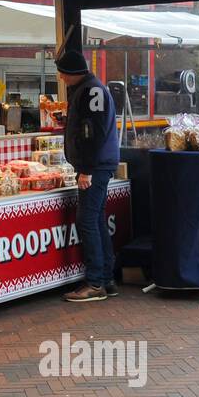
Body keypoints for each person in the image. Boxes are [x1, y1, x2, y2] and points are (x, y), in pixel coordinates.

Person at [57, 49, 120, 303]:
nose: (61, 78)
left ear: (73, 72)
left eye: (62, 73)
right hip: (100, 164)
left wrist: (86, 169)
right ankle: (106, 278)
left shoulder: (90, 90)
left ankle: (95, 283)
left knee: (87, 221)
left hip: (95, 166)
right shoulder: (92, 89)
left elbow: (91, 133)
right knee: (96, 220)